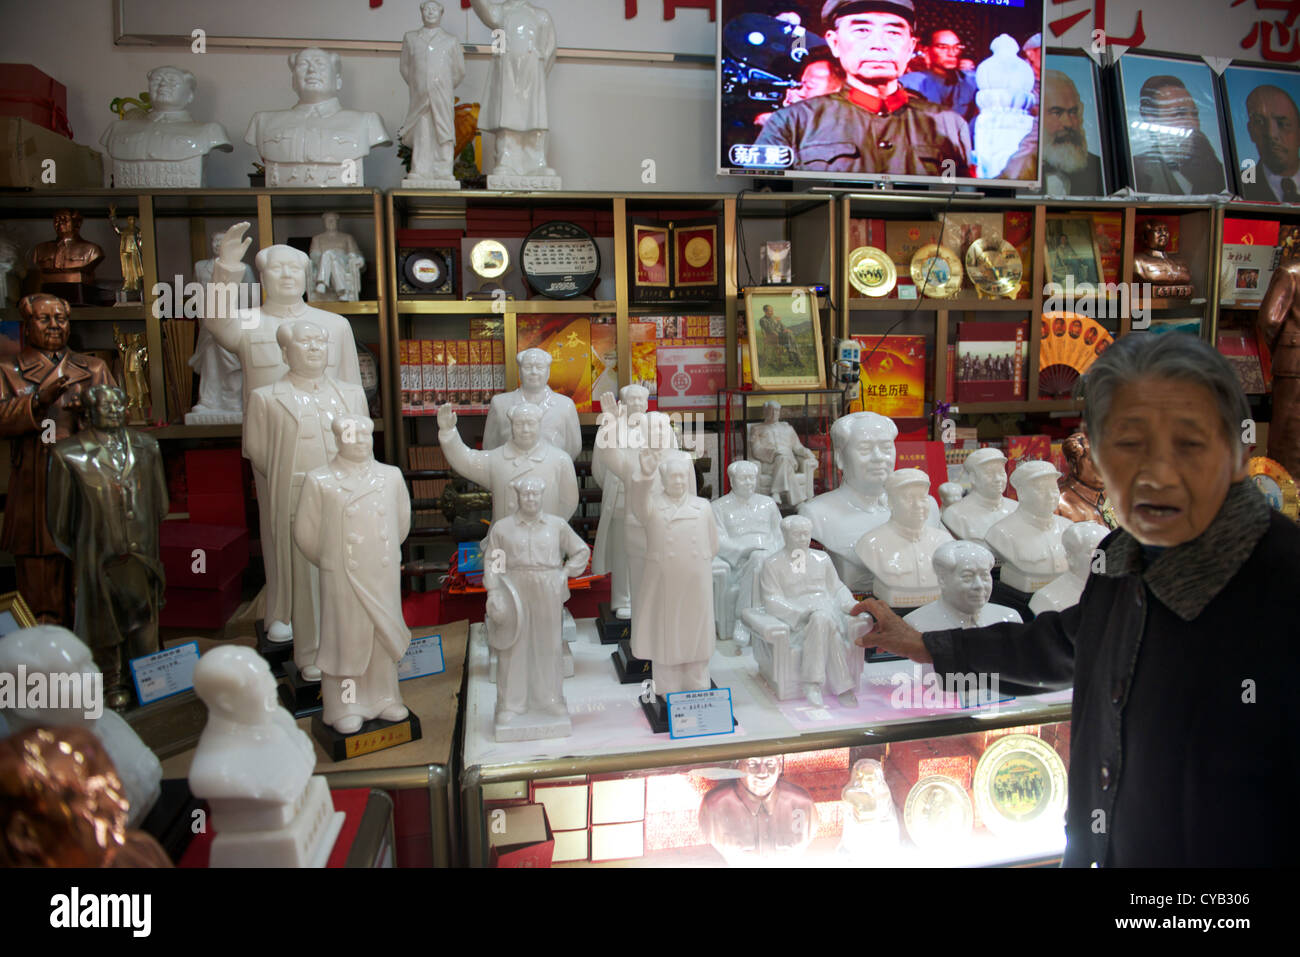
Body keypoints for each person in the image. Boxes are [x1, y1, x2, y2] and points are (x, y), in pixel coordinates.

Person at [855, 332, 1300, 866]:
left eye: (1186, 441)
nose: (1152, 472)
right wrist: (924, 644)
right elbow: (1069, 641)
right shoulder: (1125, 552)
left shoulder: (1281, 581)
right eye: (1125, 444)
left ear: (1236, 447)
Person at [244, 320, 369, 677]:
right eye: (305, 342)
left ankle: (354, 648)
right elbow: (258, 451)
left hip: (348, 495)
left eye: (320, 341)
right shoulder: (265, 398)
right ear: (285, 352)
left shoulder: (351, 394)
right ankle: (312, 652)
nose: (315, 348)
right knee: (307, 578)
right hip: (298, 495)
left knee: (350, 571)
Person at [46, 386, 168, 711]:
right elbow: (59, 525)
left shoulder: (147, 447)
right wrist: (88, 552)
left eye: (119, 403)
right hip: (97, 558)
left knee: (144, 622)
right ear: (88, 411)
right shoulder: (67, 454)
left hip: (141, 554)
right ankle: (110, 685)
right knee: (103, 625)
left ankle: (146, 682)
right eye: (105, 404)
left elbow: (160, 505)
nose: (114, 409)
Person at [754, 0, 970, 177]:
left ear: (911, 46)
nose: (879, 44)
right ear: (834, 42)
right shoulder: (792, 122)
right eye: (862, 30)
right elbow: (767, 202)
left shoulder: (948, 124)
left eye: (893, 33)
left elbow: (960, 205)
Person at [0, 294, 115, 624]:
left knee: (91, 575)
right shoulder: (9, 370)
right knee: (41, 581)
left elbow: (117, 420)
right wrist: (37, 402)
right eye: (44, 319)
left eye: (61, 319)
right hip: (35, 485)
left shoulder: (93, 367)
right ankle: (47, 660)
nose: (54, 326)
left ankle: (98, 657)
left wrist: (90, 413)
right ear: (27, 325)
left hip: (86, 481)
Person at [294, 416, 411, 735]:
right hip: (344, 577)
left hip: (381, 572)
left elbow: (401, 524)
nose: (359, 441)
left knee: (380, 636)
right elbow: (306, 535)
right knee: (345, 640)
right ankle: (345, 704)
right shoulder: (321, 481)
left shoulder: (390, 477)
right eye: (351, 436)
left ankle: (385, 696)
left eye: (364, 435)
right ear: (337, 440)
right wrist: (335, 560)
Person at [483, 476, 590, 732]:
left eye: (535, 494)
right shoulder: (502, 529)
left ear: (542, 496)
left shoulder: (557, 525)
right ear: (518, 497)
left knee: (548, 645)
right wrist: (494, 593)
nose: (530, 499)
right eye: (526, 495)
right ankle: (512, 703)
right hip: (514, 587)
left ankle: (549, 699)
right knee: (514, 646)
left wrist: (565, 573)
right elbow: (493, 563)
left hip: (547, 586)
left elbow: (581, 551)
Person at [245, 47, 391, 188]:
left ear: (338, 80)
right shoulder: (263, 122)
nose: (311, 70)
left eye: (320, 65)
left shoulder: (367, 122)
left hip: (345, 201)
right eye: (303, 65)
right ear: (293, 80)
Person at [758, 515, 861, 707]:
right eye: (798, 534)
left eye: (806, 534)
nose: (803, 539)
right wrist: (800, 612)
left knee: (822, 618)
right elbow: (771, 599)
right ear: (785, 535)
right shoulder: (772, 563)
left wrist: (850, 604)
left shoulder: (822, 558)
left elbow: (837, 588)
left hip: (827, 612)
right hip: (797, 622)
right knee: (825, 624)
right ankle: (843, 687)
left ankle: (812, 683)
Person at [438, 400, 578, 523]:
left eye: (531, 423)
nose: (525, 429)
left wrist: (550, 529)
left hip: (545, 546)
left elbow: (569, 502)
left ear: (539, 424)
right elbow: (466, 460)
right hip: (504, 546)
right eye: (519, 424)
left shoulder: (560, 460)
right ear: (511, 425)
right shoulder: (496, 459)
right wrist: (448, 432)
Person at [99, 65, 231, 188]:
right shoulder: (118, 129)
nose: (162, 85)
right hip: (131, 205)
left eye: (172, 82)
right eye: (156, 81)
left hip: (185, 204)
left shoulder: (210, 131)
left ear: (190, 95)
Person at [469, 0, 558, 182]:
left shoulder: (541, 15)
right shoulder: (500, 12)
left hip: (533, 71)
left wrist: (537, 71)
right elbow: (483, 8)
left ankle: (537, 161)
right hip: (507, 71)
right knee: (507, 117)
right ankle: (506, 160)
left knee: (535, 118)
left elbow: (550, 49)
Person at [712, 460, 783, 645]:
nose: (749, 482)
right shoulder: (719, 507)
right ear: (732, 479)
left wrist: (774, 552)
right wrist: (744, 550)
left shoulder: (768, 504)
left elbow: (779, 535)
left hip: (772, 559)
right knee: (758, 558)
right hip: (738, 563)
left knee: (762, 558)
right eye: (744, 479)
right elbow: (718, 540)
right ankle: (747, 619)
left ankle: (745, 618)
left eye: (752, 478)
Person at [697, 755, 816, 863]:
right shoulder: (714, 806)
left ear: (780, 767)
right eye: (753, 764)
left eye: (770, 764)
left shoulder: (802, 804)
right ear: (736, 767)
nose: (762, 773)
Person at [398, 0, 467, 187]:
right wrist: (419, 84)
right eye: (427, 9)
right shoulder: (411, 38)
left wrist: (442, 85)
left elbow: (459, 71)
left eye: (434, 9)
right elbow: (405, 67)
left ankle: (443, 170)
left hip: (442, 94)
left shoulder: (450, 40)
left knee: (443, 129)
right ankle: (419, 169)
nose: (430, 13)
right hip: (420, 95)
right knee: (422, 129)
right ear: (421, 12)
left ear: (441, 13)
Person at [1131, 75, 1227, 195]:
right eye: (1179, 114)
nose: (1192, 123)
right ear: (1149, 117)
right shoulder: (1134, 171)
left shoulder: (1217, 172)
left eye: (1195, 114)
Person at [482, 347, 581, 459]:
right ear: (519, 371)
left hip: (551, 474)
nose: (534, 372)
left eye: (539, 367)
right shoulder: (500, 404)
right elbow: (490, 447)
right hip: (511, 473)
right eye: (528, 367)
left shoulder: (565, 405)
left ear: (548, 371)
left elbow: (574, 447)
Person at [1041, 70, 1104, 196]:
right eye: (1056, 112)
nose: (1068, 123)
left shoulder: (1100, 171)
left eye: (1073, 112)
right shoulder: (1012, 171)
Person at [748, 399, 819, 506]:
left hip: (790, 461)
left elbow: (797, 447)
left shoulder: (788, 428)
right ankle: (798, 503)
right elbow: (756, 450)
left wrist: (808, 453)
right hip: (769, 464)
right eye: (771, 411)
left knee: (784, 459)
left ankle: (776, 491)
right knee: (783, 459)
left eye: (776, 411)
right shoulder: (757, 429)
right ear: (765, 412)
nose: (774, 414)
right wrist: (774, 453)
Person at [899, 28, 977, 122]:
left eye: (957, 47)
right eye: (943, 47)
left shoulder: (973, 81)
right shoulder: (912, 83)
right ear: (927, 51)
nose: (951, 53)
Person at [1240, 84, 1300, 202]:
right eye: (1260, 122)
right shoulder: (1236, 187)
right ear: (1251, 131)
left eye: (1283, 124)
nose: (1271, 134)